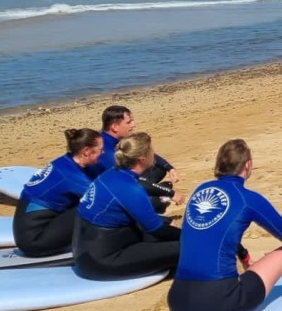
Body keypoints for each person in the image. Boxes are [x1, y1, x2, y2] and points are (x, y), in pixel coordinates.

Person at [167, 139, 282, 311]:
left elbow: (211, 230)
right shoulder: (248, 199)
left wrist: (242, 254)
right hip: (221, 305)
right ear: (248, 165)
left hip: (178, 303)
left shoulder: (200, 191)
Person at [73, 131, 184, 280]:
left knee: (168, 239)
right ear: (143, 158)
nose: (154, 154)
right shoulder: (131, 188)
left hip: (85, 251)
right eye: (151, 151)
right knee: (190, 247)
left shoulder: (111, 174)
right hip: (103, 261)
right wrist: (189, 237)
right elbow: (157, 230)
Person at [12, 128, 102, 257]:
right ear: (86, 151)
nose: (103, 153)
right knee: (95, 205)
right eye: (100, 150)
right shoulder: (71, 176)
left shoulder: (65, 161)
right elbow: (106, 198)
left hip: (26, 230)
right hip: (34, 241)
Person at [87, 104, 180, 212]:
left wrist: (169, 168)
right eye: (129, 122)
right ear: (115, 127)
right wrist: (168, 193)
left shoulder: (117, 139)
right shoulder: (106, 152)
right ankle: (157, 197)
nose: (133, 125)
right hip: (109, 196)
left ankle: (155, 193)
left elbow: (144, 152)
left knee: (159, 168)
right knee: (153, 202)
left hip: (123, 183)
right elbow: (126, 182)